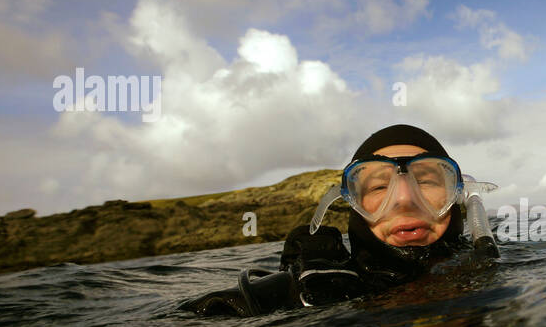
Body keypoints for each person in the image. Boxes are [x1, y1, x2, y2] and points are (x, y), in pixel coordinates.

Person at [180, 124, 496, 316]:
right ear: (351, 204)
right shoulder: (296, 294)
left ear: (457, 194)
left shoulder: (495, 271)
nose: (403, 198)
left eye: (426, 180)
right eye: (378, 186)